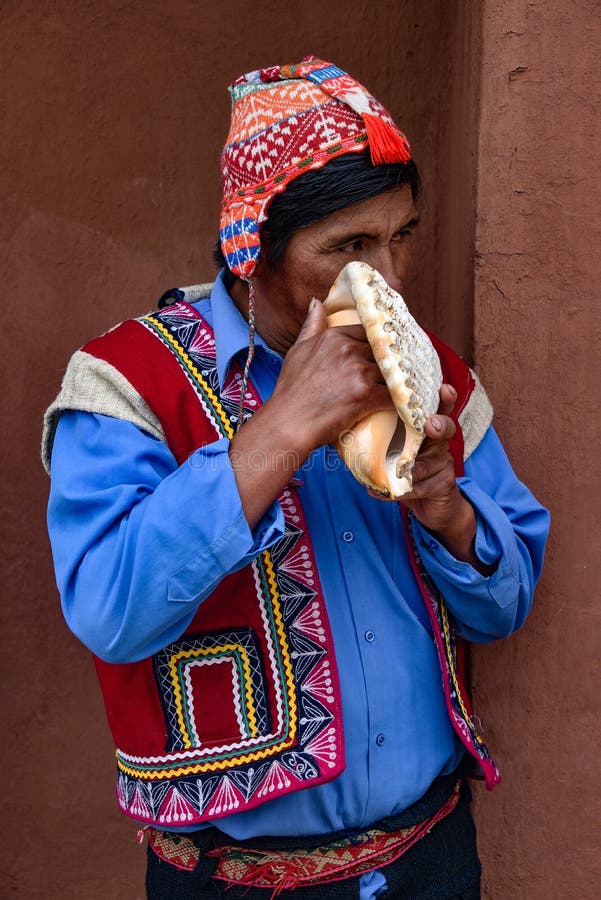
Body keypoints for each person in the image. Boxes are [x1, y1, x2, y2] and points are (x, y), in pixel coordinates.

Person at [43, 57, 549, 899]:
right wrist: (279, 429)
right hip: (233, 879)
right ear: (253, 253)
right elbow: (109, 612)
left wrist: (446, 512)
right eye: (348, 246)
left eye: (400, 236)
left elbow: (507, 606)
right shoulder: (124, 382)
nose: (385, 278)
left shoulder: (435, 375)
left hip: (431, 856)